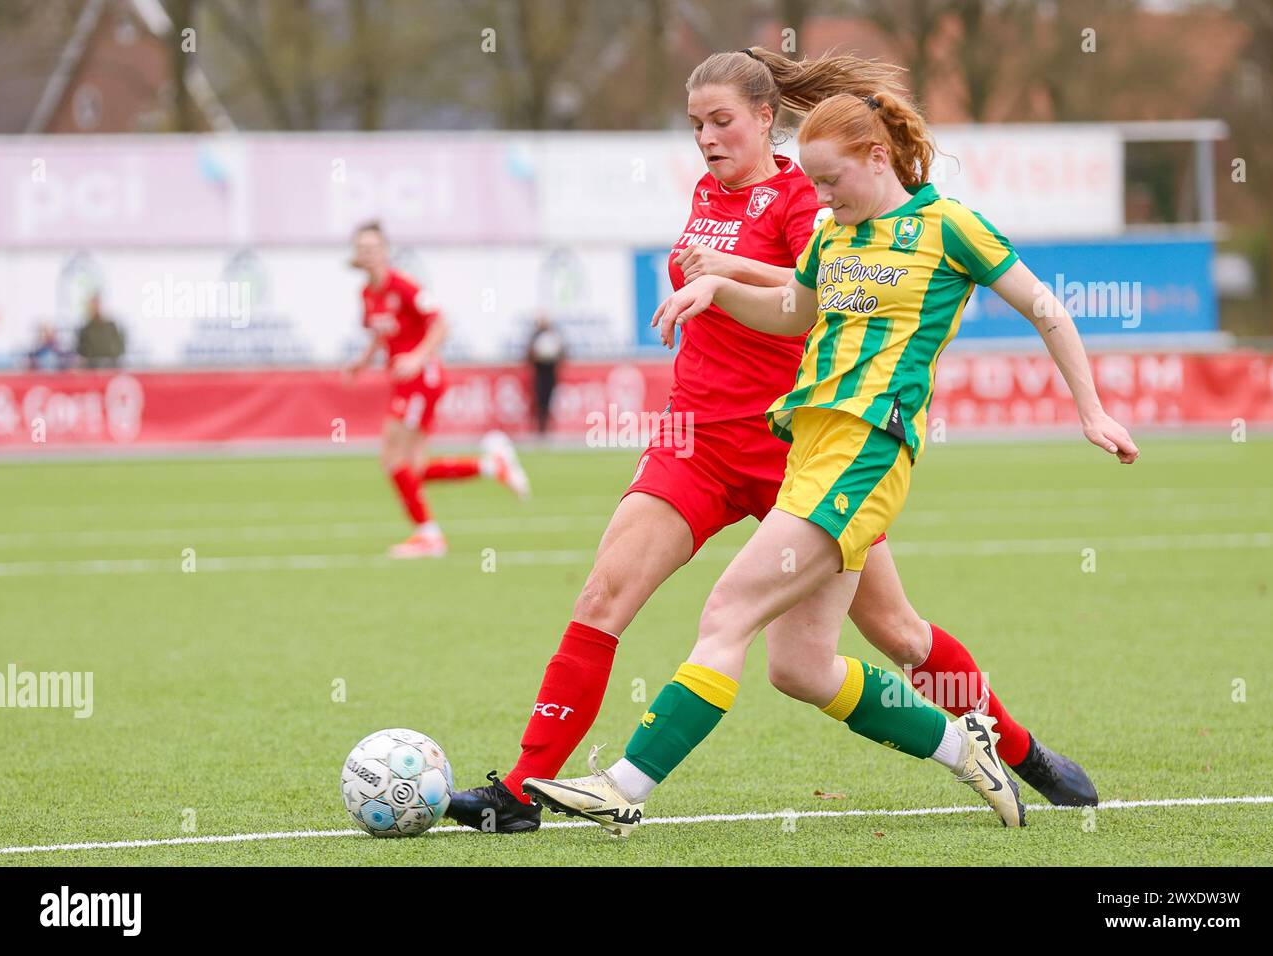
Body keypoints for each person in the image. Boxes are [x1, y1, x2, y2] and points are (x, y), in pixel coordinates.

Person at [448, 49, 1101, 834]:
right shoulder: (709, 193)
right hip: (697, 440)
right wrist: (716, 280)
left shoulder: (814, 202)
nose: (707, 139)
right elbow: (793, 293)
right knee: (604, 595)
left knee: (888, 635)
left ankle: (1012, 746)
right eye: (696, 125)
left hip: (802, 447)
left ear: (767, 120)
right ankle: (523, 790)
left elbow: (810, 297)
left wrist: (720, 269)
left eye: (722, 121)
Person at [344, 221, 529, 558]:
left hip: (421, 380)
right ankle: (492, 465)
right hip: (407, 381)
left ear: (385, 251)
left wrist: (417, 357)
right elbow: (382, 333)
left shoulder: (404, 286)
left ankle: (428, 535)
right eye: (361, 249)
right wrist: (363, 360)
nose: (367, 254)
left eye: (372, 248)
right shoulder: (368, 294)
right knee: (413, 468)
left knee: (390, 455)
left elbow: (442, 323)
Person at [526, 315, 566, 436]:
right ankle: (540, 426)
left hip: (550, 371)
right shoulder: (536, 337)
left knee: (550, 399)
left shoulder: (553, 337)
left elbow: (562, 353)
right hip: (540, 372)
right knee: (540, 399)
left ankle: (547, 425)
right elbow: (529, 355)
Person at [75, 294, 125, 369]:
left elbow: (119, 345)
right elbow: (81, 350)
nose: (95, 307)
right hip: (92, 367)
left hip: (110, 365)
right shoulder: (85, 329)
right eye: (93, 305)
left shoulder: (110, 326)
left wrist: (114, 354)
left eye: (97, 304)